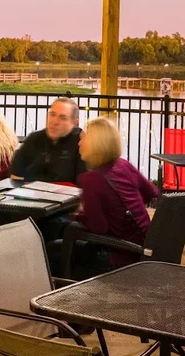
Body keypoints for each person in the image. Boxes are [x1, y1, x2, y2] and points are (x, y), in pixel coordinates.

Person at [49, 117, 158, 279]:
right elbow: (151, 192)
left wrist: (78, 215)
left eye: (83, 138)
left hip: (119, 256)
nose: (79, 143)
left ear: (96, 144)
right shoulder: (123, 165)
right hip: (147, 248)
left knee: (51, 250)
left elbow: (98, 227)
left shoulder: (90, 179)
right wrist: (125, 206)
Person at [9, 97, 86, 184]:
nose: (55, 121)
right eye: (52, 114)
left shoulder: (81, 143)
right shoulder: (34, 139)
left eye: (62, 117)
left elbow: (84, 184)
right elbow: (14, 175)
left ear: (74, 123)